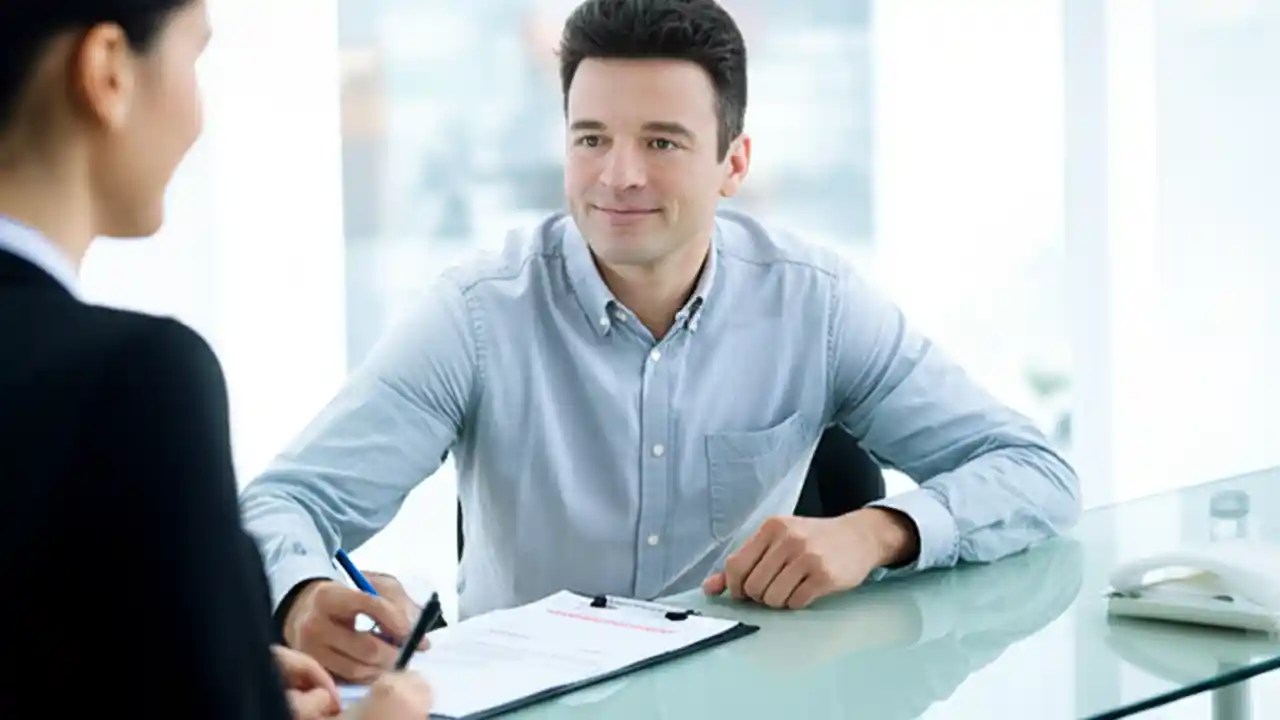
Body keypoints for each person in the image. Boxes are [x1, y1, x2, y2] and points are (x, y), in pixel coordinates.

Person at [241, 0, 1081, 684]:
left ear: (733, 162)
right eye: (592, 138)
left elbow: (1036, 473)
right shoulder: (474, 315)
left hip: (745, 702)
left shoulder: (814, 305)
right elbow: (281, 505)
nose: (619, 176)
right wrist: (303, 592)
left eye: (662, 142)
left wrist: (879, 531)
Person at [0, 1, 430, 717]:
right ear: (106, 71)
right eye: (195, 57)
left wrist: (213, 668)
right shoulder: (135, 379)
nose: (200, 116)